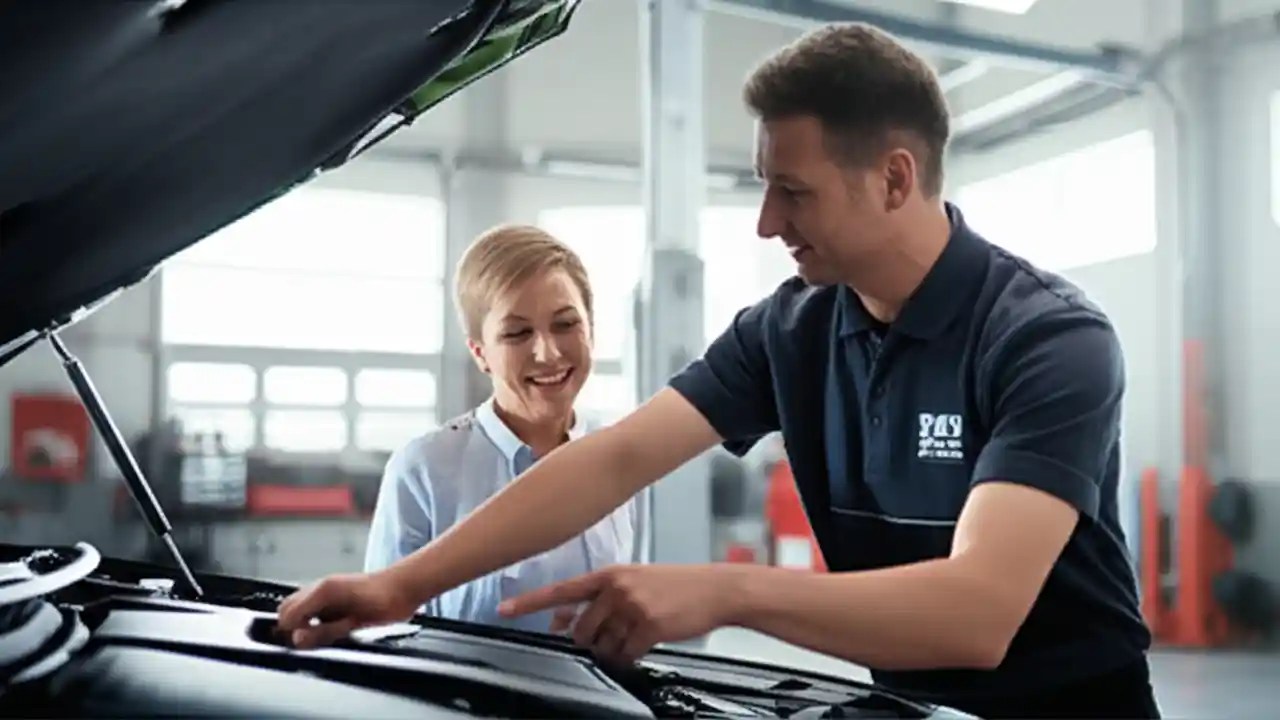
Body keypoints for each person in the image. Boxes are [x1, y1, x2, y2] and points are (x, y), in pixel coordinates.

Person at [279, 22, 1159, 719]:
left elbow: (977, 613)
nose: (767, 221)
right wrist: (400, 583)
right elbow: (618, 457)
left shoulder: (1048, 340)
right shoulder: (793, 327)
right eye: (763, 186)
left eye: (795, 191)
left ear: (894, 179)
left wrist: (724, 591)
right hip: (904, 705)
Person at [361, 223, 646, 633]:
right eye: (517, 333)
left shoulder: (619, 455)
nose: (547, 353)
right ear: (480, 353)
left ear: (592, 330)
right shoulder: (425, 468)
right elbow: (382, 636)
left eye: (566, 324)